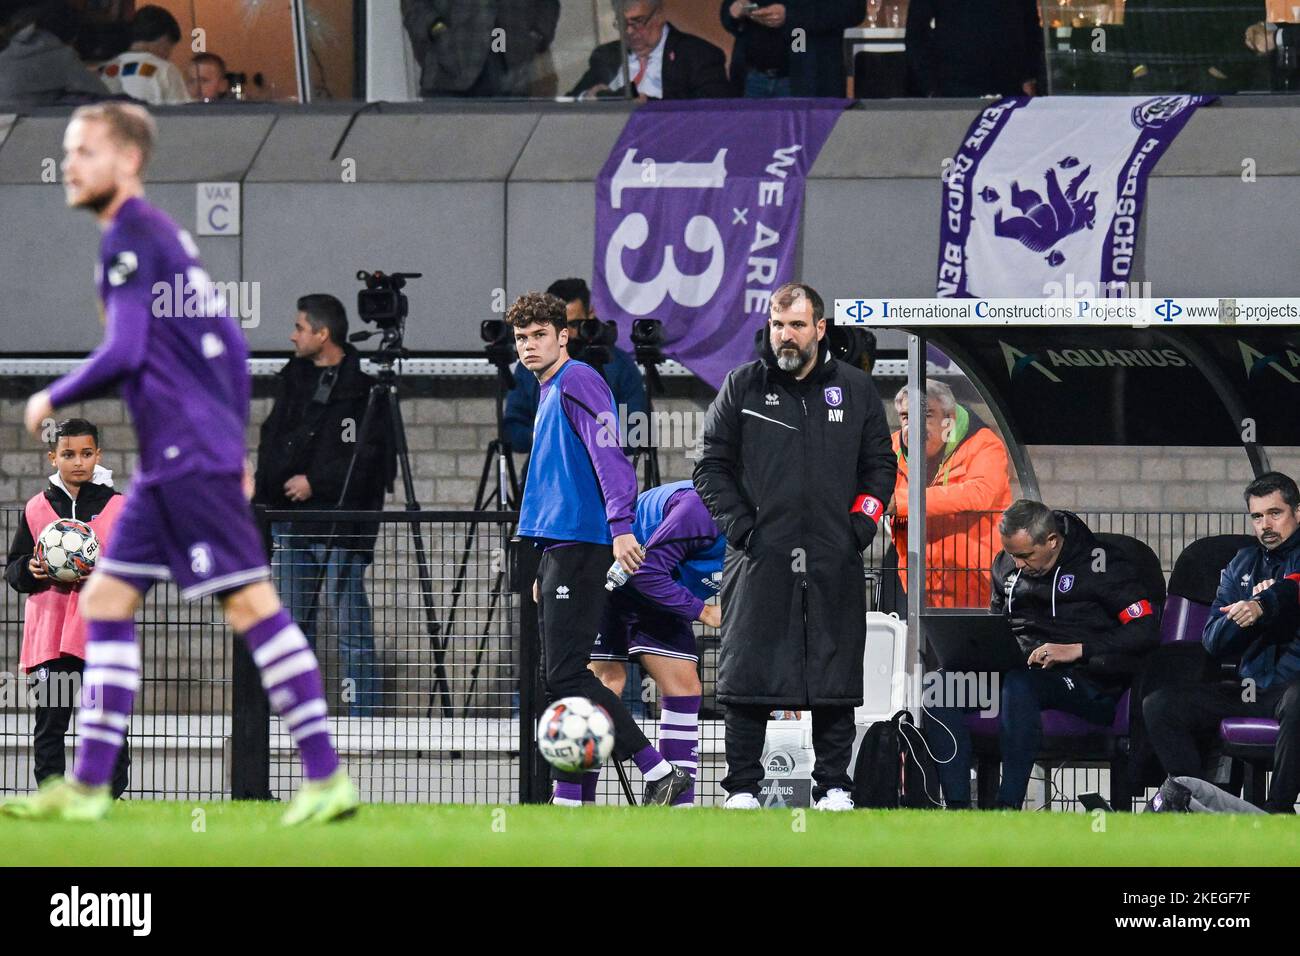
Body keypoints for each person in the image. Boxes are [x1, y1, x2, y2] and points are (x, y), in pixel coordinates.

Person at [4, 102, 355, 824]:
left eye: (84, 150)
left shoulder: (131, 234)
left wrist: (52, 395)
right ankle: (91, 785)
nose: (68, 164)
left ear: (127, 160)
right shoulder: (163, 238)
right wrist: (234, 448)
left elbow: (128, 350)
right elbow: (225, 345)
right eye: (67, 152)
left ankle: (325, 775)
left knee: (250, 603)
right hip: (179, 462)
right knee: (105, 601)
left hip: (187, 461)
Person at [694, 281, 896, 811]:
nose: (786, 336)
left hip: (834, 555)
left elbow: (881, 468)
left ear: (820, 329)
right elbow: (709, 466)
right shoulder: (741, 387)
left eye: (797, 326)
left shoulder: (855, 391)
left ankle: (833, 786)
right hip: (758, 557)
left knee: (834, 668)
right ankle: (741, 788)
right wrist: (741, 528)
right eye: (778, 325)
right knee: (747, 670)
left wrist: (861, 525)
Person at [510, 290, 691, 807]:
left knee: (566, 674)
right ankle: (602, 788)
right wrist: (543, 558)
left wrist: (622, 527)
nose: (529, 346)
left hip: (584, 546)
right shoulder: (549, 389)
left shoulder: (579, 379)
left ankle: (657, 770)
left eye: (540, 335)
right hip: (559, 547)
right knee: (562, 675)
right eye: (522, 338)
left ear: (563, 335)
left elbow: (611, 454)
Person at [940, 500, 1159, 810]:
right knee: (940, 689)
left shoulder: (1101, 565)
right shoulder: (1007, 565)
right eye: (1012, 555)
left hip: (1085, 679)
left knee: (1019, 685)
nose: (1017, 564)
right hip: (1018, 668)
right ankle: (958, 808)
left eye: (1025, 555)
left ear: (1052, 541)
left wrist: (1078, 650)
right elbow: (996, 622)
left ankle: (1007, 808)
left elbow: (1145, 628)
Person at [255, 294, 395, 717]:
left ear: (322, 333)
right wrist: (264, 500)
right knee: (295, 628)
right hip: (290, 523)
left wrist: (316, 482)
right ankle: (298, 717)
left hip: (340, 525)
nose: (292, 336)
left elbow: (366, 457)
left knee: (350, 626)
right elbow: (274, 442)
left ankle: (362, 717)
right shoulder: (292, 381)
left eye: (300, 327)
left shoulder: (362, 391)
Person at [1145, 472, 1300, 813]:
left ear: (1297, 513)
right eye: (1257, 516)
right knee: (1160, 704)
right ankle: (1196, 802)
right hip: (1248, 689)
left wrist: (1265, 604)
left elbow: (1290, 590)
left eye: (1275, 513)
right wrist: (1242, 617)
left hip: (1292, 688)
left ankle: (1278, 812)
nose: (1266, 525)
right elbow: (1213, 641)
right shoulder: (1241, 564)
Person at [5, 418, 130, 798]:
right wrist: (30, 568)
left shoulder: (118, 507)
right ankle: (52, 799)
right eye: (68, 454)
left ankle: (106, 799)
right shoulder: (36, 508)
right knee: (50, 726)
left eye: (86, 454)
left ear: (99, 456)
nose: (78, 462)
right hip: (49, 641)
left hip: (101, 638)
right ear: (52, 457)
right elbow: (14, 569)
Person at [587, 480, 724, 806]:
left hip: (663, 587)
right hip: (613, 573)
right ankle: (578, 800)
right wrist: (703, 610)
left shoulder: (771, 527)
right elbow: (644, 569)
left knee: (686, 688)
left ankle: (677, 806)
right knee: (607, 683)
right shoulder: (701, 509)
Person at [885, 380, 1012, 610]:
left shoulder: (984, 445)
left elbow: (980, 493)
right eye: (905, 417)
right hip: (917, 584)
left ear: (949, 419)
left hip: (977, 586)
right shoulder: (891, 448)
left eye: (926, 415)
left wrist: (901, 501)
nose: (913, 426)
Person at [502, 278, 646, 455]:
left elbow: (638, 431)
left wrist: (588, 438)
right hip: (546, 477)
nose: (567, 334)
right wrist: (547, 436)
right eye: (558, 325)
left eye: (573, 324)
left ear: (590, 313)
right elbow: (512, 429)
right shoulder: (532, 364)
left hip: (600, 477)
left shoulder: (617, 364)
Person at [570, 0, 733, 100]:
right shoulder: (608, 55)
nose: (629, 32)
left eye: (638, 22)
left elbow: (714, 109)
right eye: (622, 23)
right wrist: (587, 97)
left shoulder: (697, 54)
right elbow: (568, 101)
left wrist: (649, 105)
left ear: (659, 16)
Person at [401, 0, 559, 97]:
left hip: (513, 66)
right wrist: (436, 29)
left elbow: (548, 5)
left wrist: (536, 36)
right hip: (449, 69)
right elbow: (414, 4)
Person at [721, 0, 865, 98]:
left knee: (803, 142)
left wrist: (790, 15)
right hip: (751, 76)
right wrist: (736, 9)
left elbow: (853, 9)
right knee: (749, 140)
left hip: (806, 78)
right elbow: (727, 11)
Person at [904, 0, 1044, 97]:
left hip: (1011, 87)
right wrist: (931, 89)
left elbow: (1031, 28)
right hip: (954, 89)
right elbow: (916, 33)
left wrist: (1030, 77)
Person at [0, 1, 109, 107]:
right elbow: (103, 95)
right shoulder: (62, 56)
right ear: (71, 35)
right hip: (31, 119)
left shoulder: (10, 44)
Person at [97, 5, 189, 105]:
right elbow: (185, 113)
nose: (168, 55)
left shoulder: (106, 69)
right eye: (168, 48)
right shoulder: (165, 70)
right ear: (163, 40)